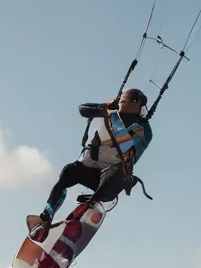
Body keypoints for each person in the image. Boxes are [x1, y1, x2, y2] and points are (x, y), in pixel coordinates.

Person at [33, 87, 153, 229]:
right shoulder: (111, 111)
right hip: (91, 171)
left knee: (119, 171)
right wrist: (104, 108)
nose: (121, 104)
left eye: (123, 101)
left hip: (111, 182)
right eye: (121, 101)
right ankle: (48, 212)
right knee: (68, 171)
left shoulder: (143, 129)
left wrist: (111, 115)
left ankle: (89, 205)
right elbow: (83, 109)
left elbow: (125, 144)